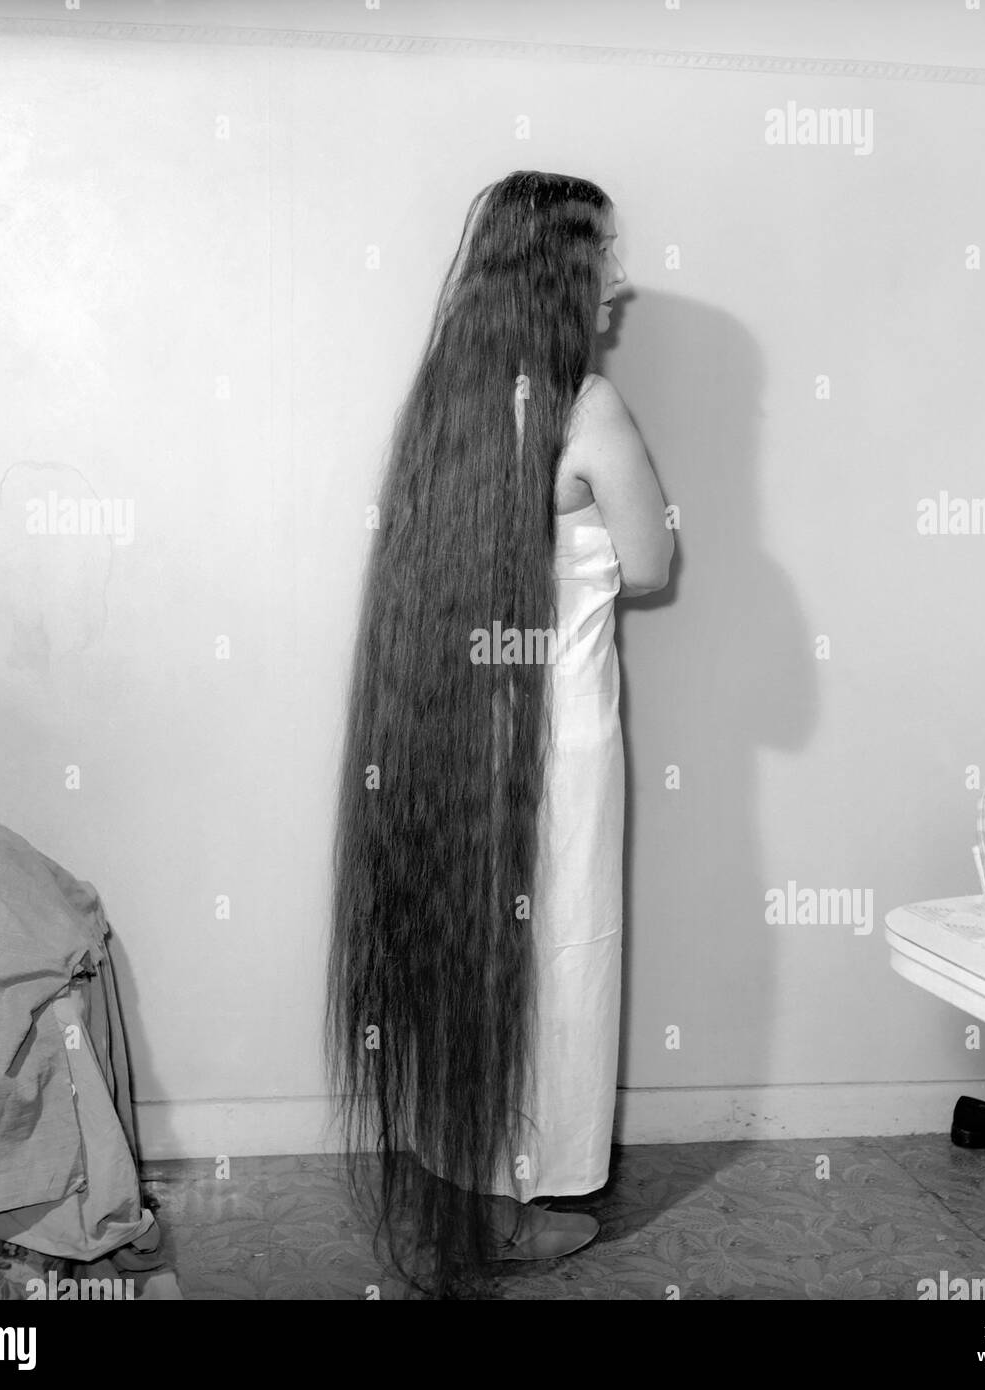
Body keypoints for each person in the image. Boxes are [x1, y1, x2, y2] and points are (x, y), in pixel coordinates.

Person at [326, 170, 673, 1298]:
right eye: (603, 258)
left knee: (470, 954)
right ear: (558, 273)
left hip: (455, 745)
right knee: (561, 959)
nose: (620, 282)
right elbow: (655, 564)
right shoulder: (587, 411)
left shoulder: (444, 406)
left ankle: (461, 1178)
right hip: (562, 745)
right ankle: (524, 1197)